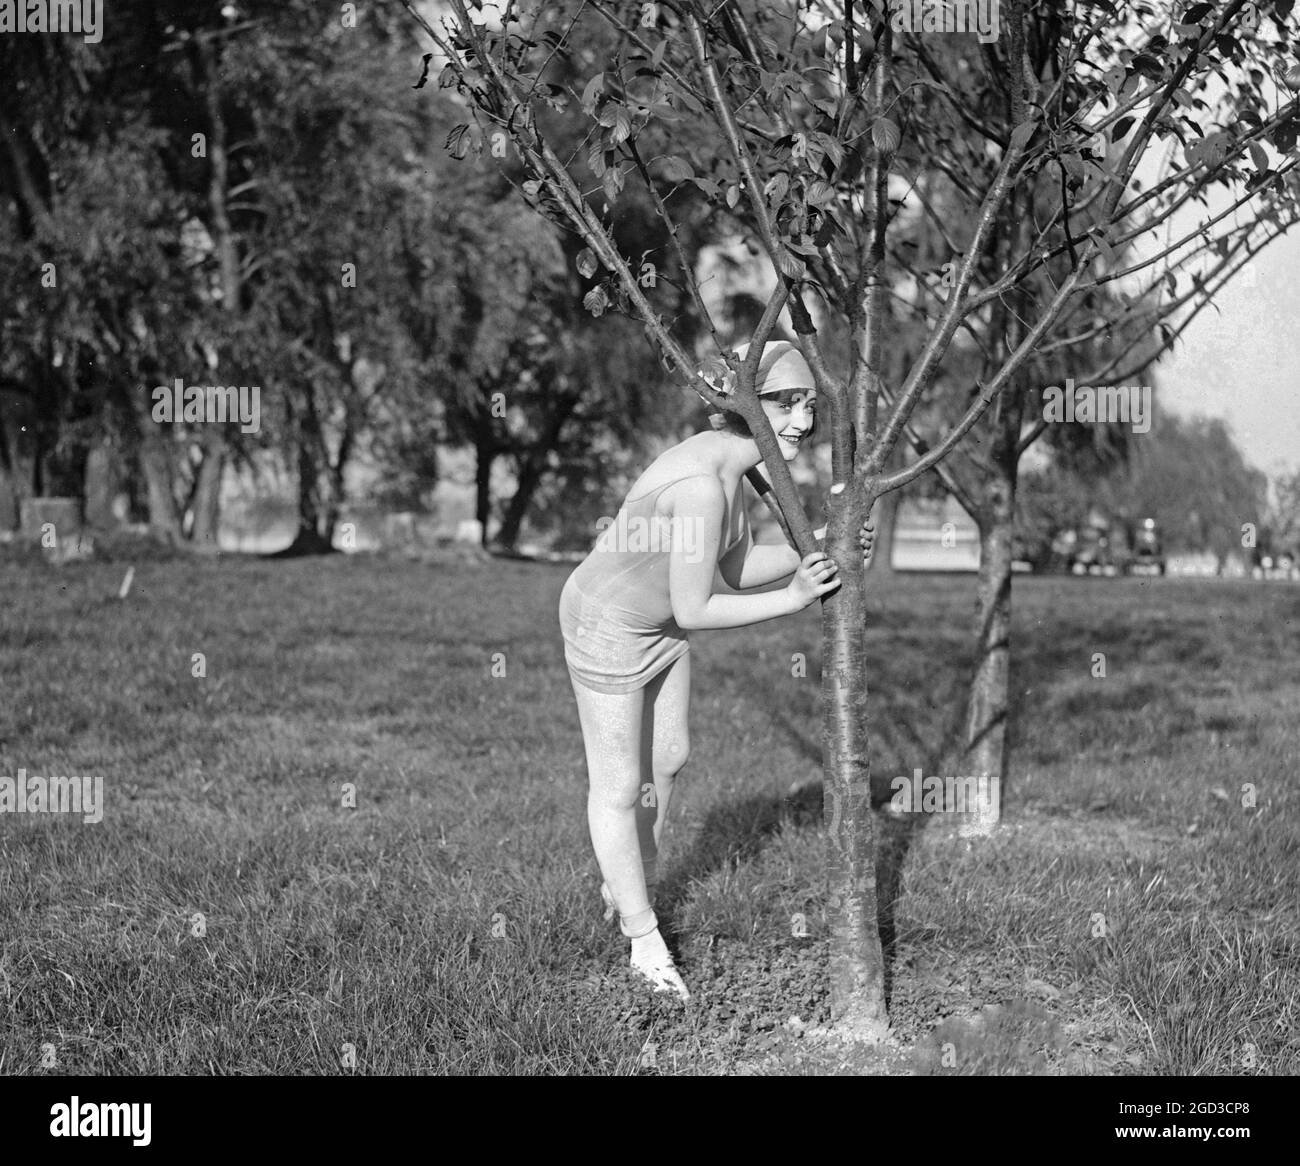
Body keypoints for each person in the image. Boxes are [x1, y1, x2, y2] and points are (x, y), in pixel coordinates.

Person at [557, 340, 873, 1000]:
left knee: (670, 757)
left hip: (659, 625)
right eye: (785, 404)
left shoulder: (736, 472)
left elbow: (724, 568)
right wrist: (792, 598)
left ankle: (626, 879)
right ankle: (643, 937)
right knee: (618, 785)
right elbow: (696, 605)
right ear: (744, 403)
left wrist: (816, 555)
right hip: (609, 626)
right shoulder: (702, 484)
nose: (803, 422)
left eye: (809, 405)